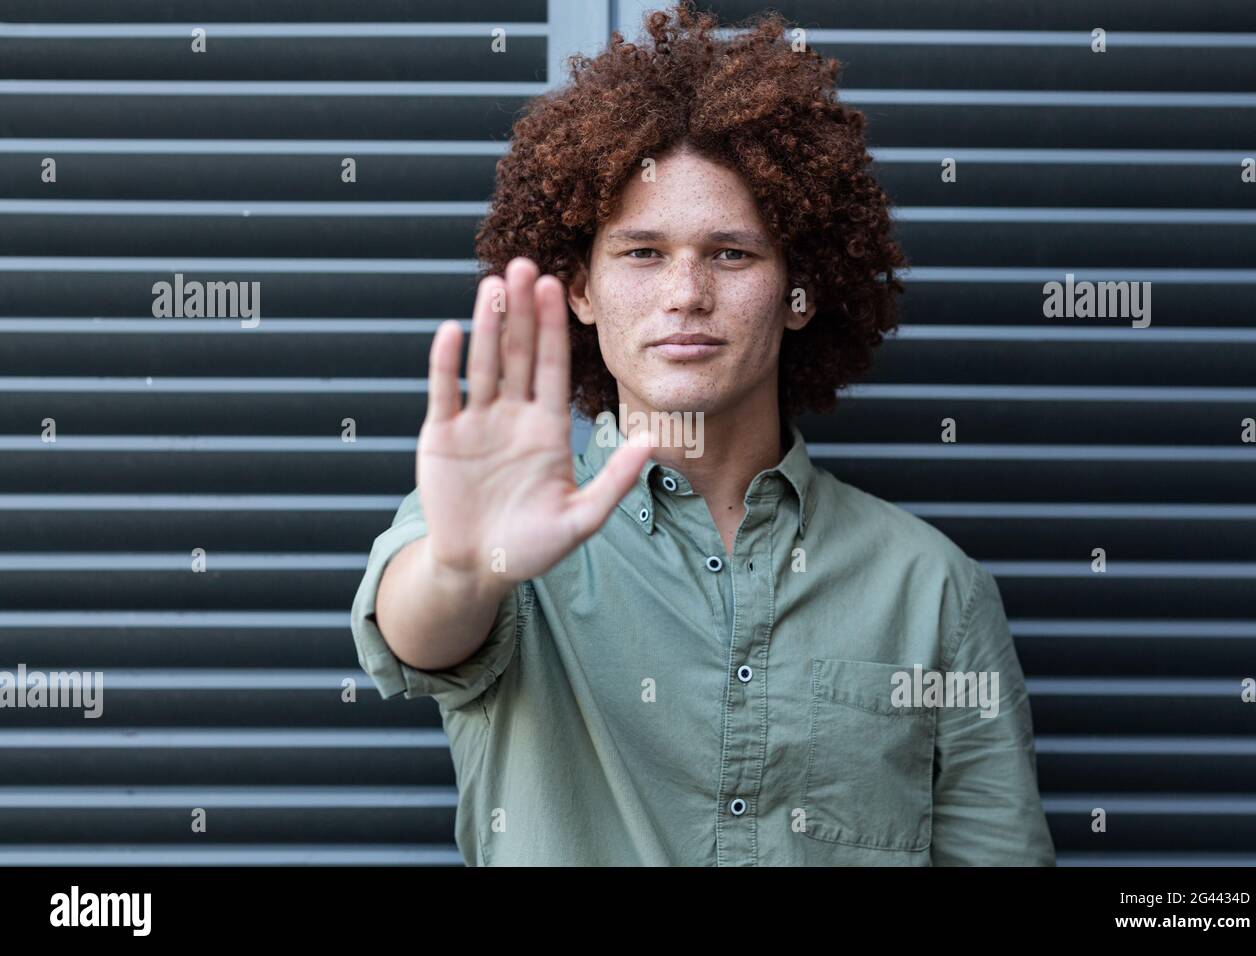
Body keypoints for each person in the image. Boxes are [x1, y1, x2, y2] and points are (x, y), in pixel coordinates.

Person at [350, 0, 1055, 866]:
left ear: (801, 292)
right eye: (642, 253)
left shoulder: (934, 588)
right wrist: (467, 566)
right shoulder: (503, 529)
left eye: (732, 253)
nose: (686, 292)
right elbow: (421, 634)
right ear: (581, 290)